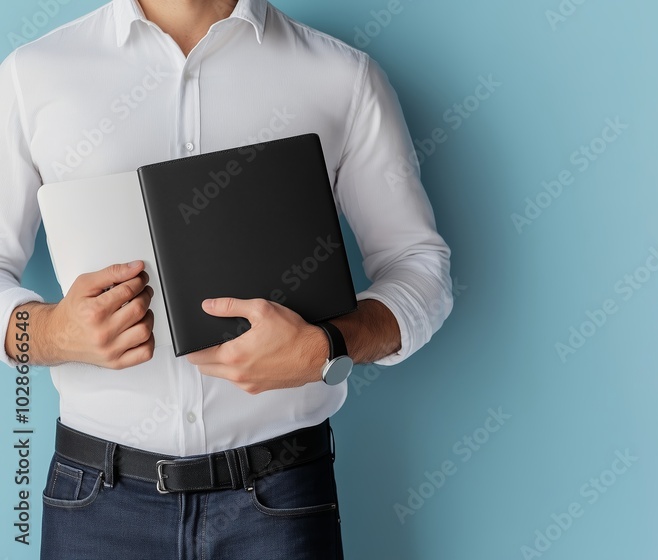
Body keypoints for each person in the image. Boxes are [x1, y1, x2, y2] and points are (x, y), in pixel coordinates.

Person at [0, 0, 453, 557]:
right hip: (98, 502)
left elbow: (419, 266)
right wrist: (49, 334)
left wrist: (327, 346)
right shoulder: (33, 74)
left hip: (281, 498)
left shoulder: (344, 76)